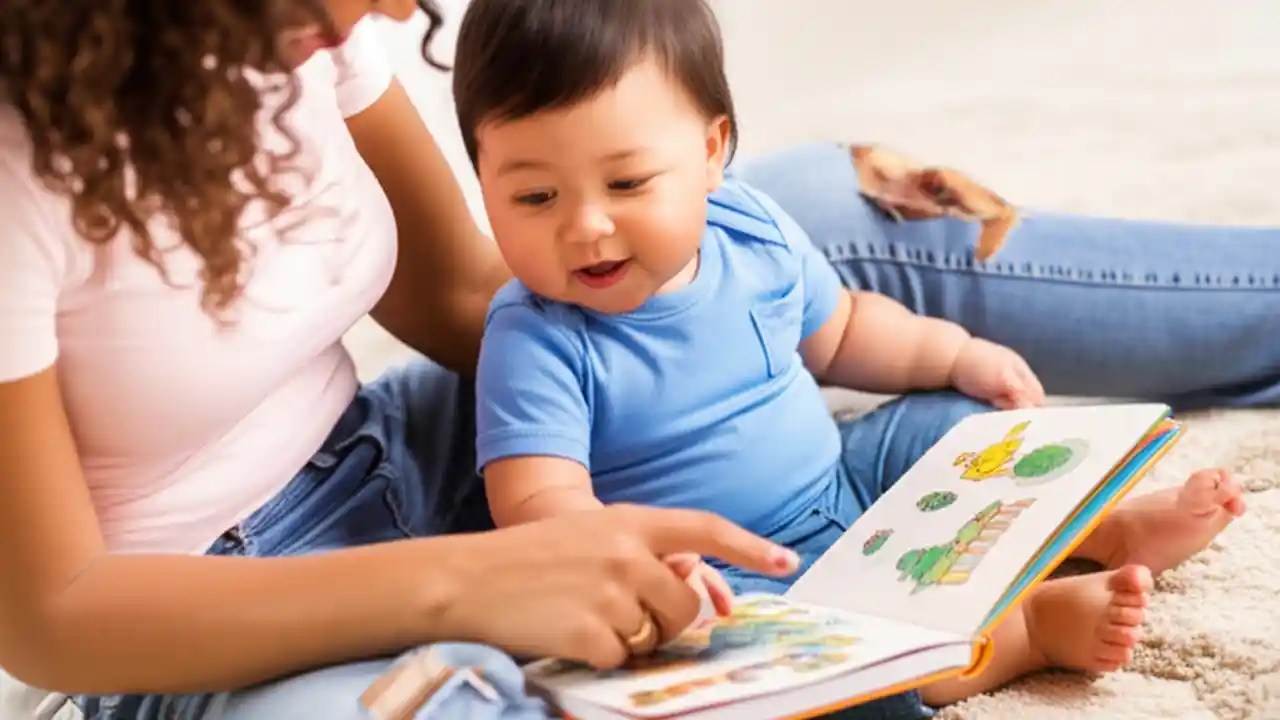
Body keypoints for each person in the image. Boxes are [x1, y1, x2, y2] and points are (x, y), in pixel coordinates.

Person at [0, 0, 1268, 718]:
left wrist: (713, 269)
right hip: (208, 619)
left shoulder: (305, 31)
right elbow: (52, 624)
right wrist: (484, 573)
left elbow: (460, 286)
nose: (394, 10)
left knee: (776, 215)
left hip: (404, 447)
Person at [460, 0, 1250, 717]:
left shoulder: (749, 229)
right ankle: (1027, 633)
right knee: (808, 680)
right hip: (731, 579)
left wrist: (957, 353)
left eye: (627, 182)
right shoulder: (536, 337)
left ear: (711, 152)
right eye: (535, 198)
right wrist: (641, 573)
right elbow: (538, 506)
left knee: (963, 428)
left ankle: (1094, 529)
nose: (586, 226)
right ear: (484, 185)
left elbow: (842, 333)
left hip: (847, 478)